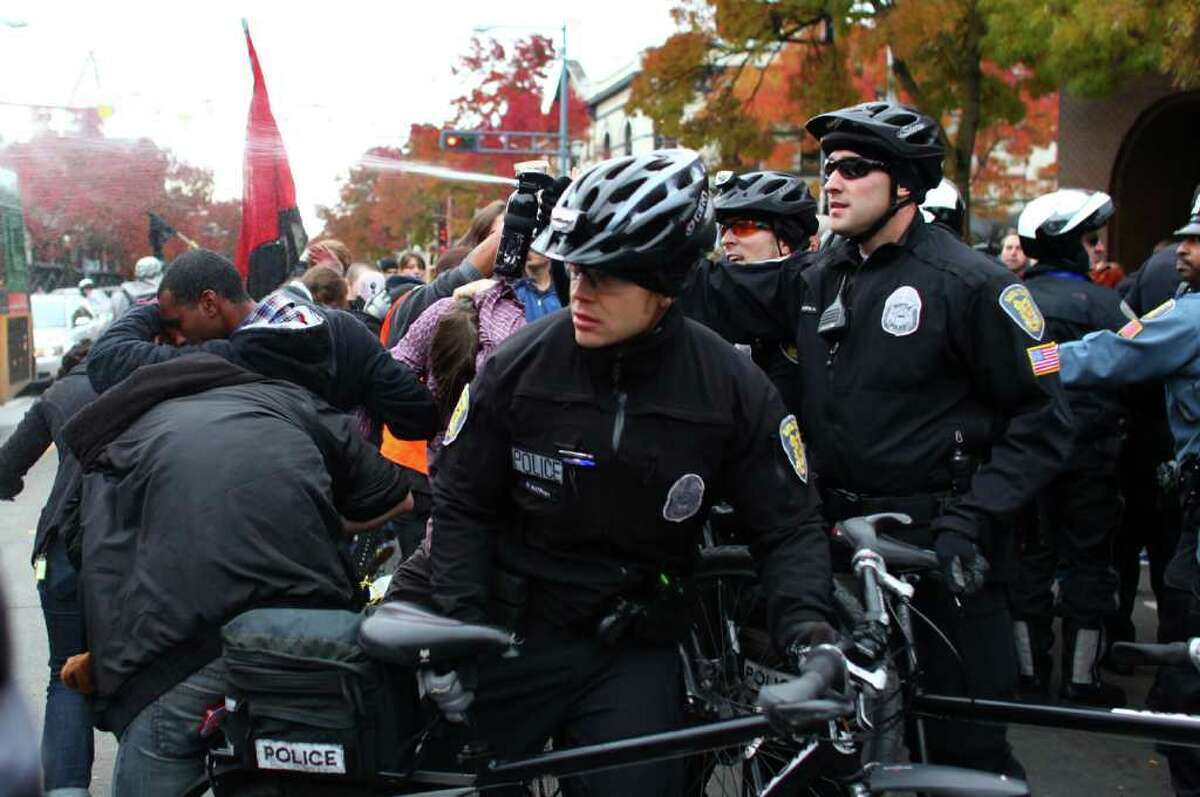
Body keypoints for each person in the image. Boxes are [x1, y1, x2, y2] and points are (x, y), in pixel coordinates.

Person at [678, 101, 1074, 777]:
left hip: (937, 548)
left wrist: (971, 520)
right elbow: (710, 293)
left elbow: (1044, 423)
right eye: (828, 166)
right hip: (833, 544)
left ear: (905, 186)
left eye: (855, 168)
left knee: (963, 747)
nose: (831, 181)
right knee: (818, 752)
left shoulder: (973, 285)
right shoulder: (816, 273)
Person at [426, 149, 835, 796]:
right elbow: (460, 502)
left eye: (607, 278)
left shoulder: (730, 389)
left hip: (634, 638)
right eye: (573, 270)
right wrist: (456, 626)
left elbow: (787, 526)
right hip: (515, 627)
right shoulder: (517, 367)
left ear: (667, 282)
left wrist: (809, 631)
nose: (580, 292)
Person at [58, 351, 418, 794]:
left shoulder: (125, 435)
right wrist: (317, 515)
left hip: (178, 654)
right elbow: (398, 499)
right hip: (303, 633)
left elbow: (82, 551)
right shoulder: (289, 401)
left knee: (159, 752)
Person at [1054, 194, 1200, 796]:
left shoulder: (1192, 317)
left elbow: (1105, 355)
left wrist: (1022, 360)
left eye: (1195, 241)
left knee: (1190, 654)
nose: (1182, 250)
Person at [85, 249, 440, 442]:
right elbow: (415, 416)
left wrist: (148, 310)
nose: (175, 339)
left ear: (209, 303)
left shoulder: (228, 361)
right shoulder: (343, 329)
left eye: (175, 323)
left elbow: (105, 363)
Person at [1009, 188, 1128, 706]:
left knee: (1027, 560)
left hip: (1026, 456)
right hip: (1093, 459)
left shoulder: (1011, 299)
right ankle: (1081, 681)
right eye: (1089, 238)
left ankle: (1027, 676)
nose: (1095, 247)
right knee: (1088, 564)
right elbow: (1140, 371)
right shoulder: (1107, 303)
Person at [0, 341, 96, 796]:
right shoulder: (156, 382)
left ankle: (66, 790)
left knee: (65, 675)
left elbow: (6, 465)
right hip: (137, 554)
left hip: (63, 549)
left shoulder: (60, 394)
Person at [697, 169, 819, 417]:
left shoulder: (817, 290)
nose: (727, 240)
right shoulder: (723, 303)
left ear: (786, 240)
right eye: (724, 229)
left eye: (743, 227)